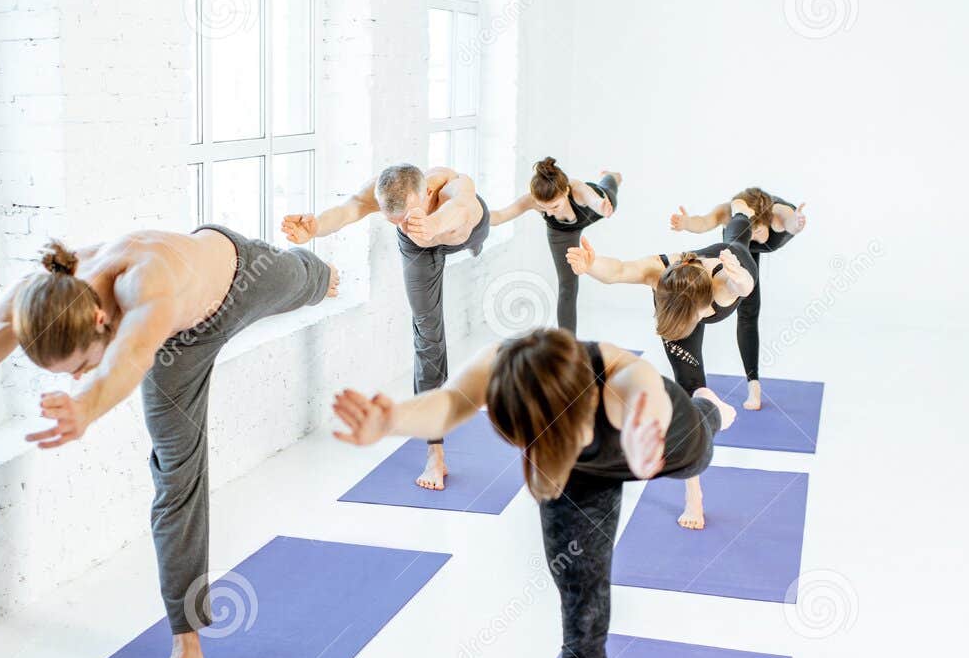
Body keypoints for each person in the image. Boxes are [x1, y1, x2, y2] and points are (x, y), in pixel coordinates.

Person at [0, 226, 338, 658]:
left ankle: (325, 272)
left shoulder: (147, 280)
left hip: (235, 283)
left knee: (308, 280)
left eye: (79, 366)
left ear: (100, 318)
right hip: (174, 342)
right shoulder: (39, 297)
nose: (79, 377)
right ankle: (187, 649)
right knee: (175, 477)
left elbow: (127, 361)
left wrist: (86, 407)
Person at [332, 328, 735, 658]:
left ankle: (712, 407)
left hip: (659, 441)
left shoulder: (614, 376)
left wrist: (647, 424)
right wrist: (391, 420)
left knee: (705, 438)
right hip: (577, 469)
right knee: (583, 627)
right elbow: (452, 403)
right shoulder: (506, 366)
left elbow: (643, 385)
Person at [281, 163, 488, 491]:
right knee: (427, 334)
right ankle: (434, 453)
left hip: (464, 230)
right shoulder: (387, 191)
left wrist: (431, 224)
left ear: (426, 193)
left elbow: (461, 209)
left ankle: (475, 245)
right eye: (396, 222)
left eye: (408, 218)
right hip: (420, 249)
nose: (403, 226)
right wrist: (315, 226)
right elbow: (350, 208)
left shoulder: (453, 187)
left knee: (473, 237)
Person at [565, 218, 757, 527]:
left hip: (736, 265)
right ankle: (694, 495)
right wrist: (591, 265)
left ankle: (740, 216)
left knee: (739, 229)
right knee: (689, 394)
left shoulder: (723, 287)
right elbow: (618, 271)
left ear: (704, 312)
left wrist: (742, 277)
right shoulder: (659, 272)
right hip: (688, 291)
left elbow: (744, 286)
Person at [669, 189, 807, 409]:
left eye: (756, 231)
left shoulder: (778, 214)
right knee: (747, 311)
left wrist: (797, 222)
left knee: (750, 314)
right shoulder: (730, 213)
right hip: (739, 252)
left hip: (770, 226)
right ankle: (754, 387)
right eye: (748, 231)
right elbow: (704, 222)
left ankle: (753, 385)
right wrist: (686, 223)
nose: (752, 236)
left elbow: (791, 223)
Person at [488, 157, 621, 332]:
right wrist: (477, 216)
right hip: (561, 231)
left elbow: (594, 201)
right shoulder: (531, 200)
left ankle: (610, 175)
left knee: (610, 184)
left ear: (566, 191)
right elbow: (500, 216)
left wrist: (602, 206)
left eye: (555, 207)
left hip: (595, 211)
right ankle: (567, 343)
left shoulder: (577, 188)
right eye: (543, 208)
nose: (549, 213)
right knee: (567, 286)